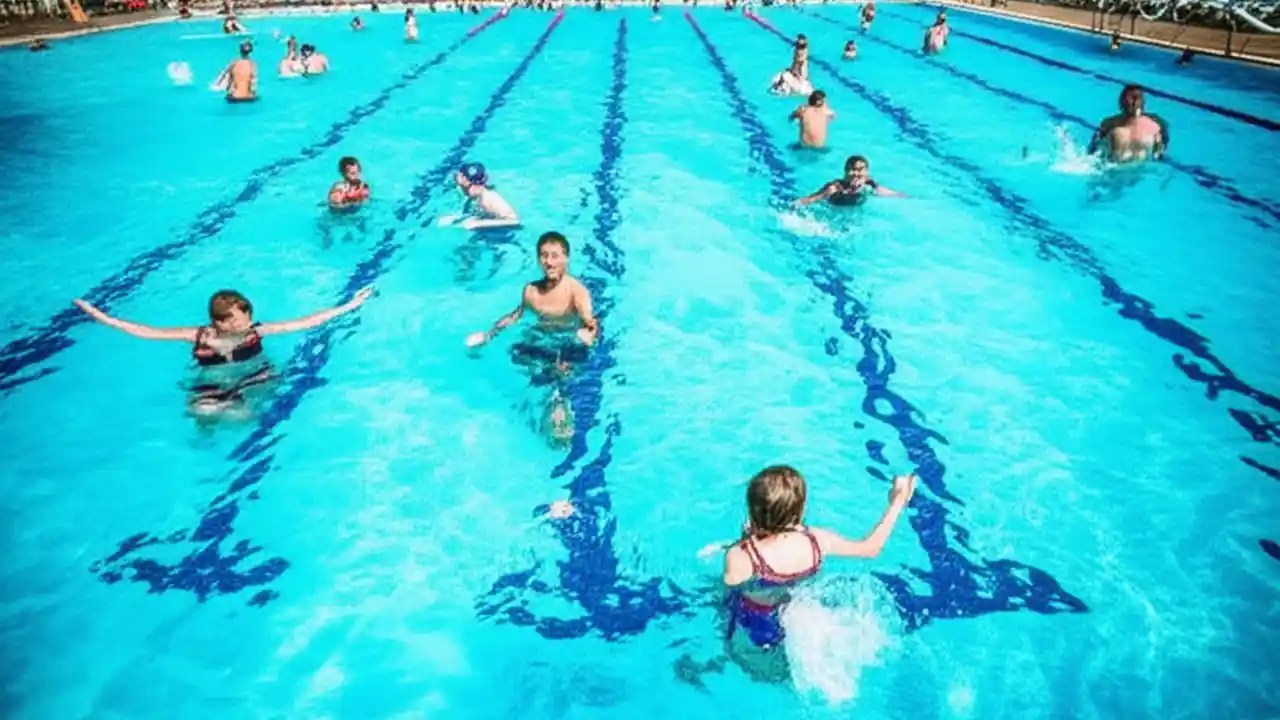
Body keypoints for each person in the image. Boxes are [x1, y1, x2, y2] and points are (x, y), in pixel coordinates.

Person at [721, 466, 915, 671]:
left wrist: (746, 539)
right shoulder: (817, 540)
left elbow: (729, 595)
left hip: (756, 622)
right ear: (800, 510)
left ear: (752, 509)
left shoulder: (742, 556)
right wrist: (897, 502)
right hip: (800, 613)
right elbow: (870, 548)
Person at [72, 287, 372, 412]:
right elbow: (145, 332)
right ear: (219, 322)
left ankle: (237, 406)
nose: (250, 324)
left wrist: (351, 304)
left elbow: (306, 322)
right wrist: (100, 316)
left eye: (249, 318)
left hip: (258, 375)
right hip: (213, 383)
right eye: (241, 321)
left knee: (247, 416)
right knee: (199, 412)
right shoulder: (198, 336)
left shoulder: (256, 331)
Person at [465, 232, 598, 442]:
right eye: (544, 256)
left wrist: (588, 334)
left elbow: (589, 320)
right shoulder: (531, 291)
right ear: (538, 260)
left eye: (555, 256)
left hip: (567, 343)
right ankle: (545, 394)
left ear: (566, 258)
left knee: (560, 370)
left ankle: (559, 402)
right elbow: (515, 316)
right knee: (516, 353)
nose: (549, 262)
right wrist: (489, 335)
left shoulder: (576, 292)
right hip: (542, 339)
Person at [1087, 84, 1169, 163]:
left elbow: (1161, 151)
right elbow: (1093, 151)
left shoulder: (1156, 125)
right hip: (1114, 172)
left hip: (1141, 172)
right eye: (1131, 98)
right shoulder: (1108, 124)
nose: (1133, 102)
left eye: (1136, 98)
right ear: (1121, 102)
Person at [795, 155, 905, 206]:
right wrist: (796, 204)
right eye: (852, 170)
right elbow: (813, 199)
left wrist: (901, 195)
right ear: (845, 171)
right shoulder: (835, 187)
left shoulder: (868, 184)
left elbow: (884, 192)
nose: (856, 174)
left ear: (866, 172)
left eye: (860, 170)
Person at [446, 162, 519, 230]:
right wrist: (455, 220)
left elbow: (514, 221)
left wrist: (479, 223)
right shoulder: (475, 196)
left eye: (463, 187)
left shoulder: (490, 199)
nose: (463, 190)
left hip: (505, 233)